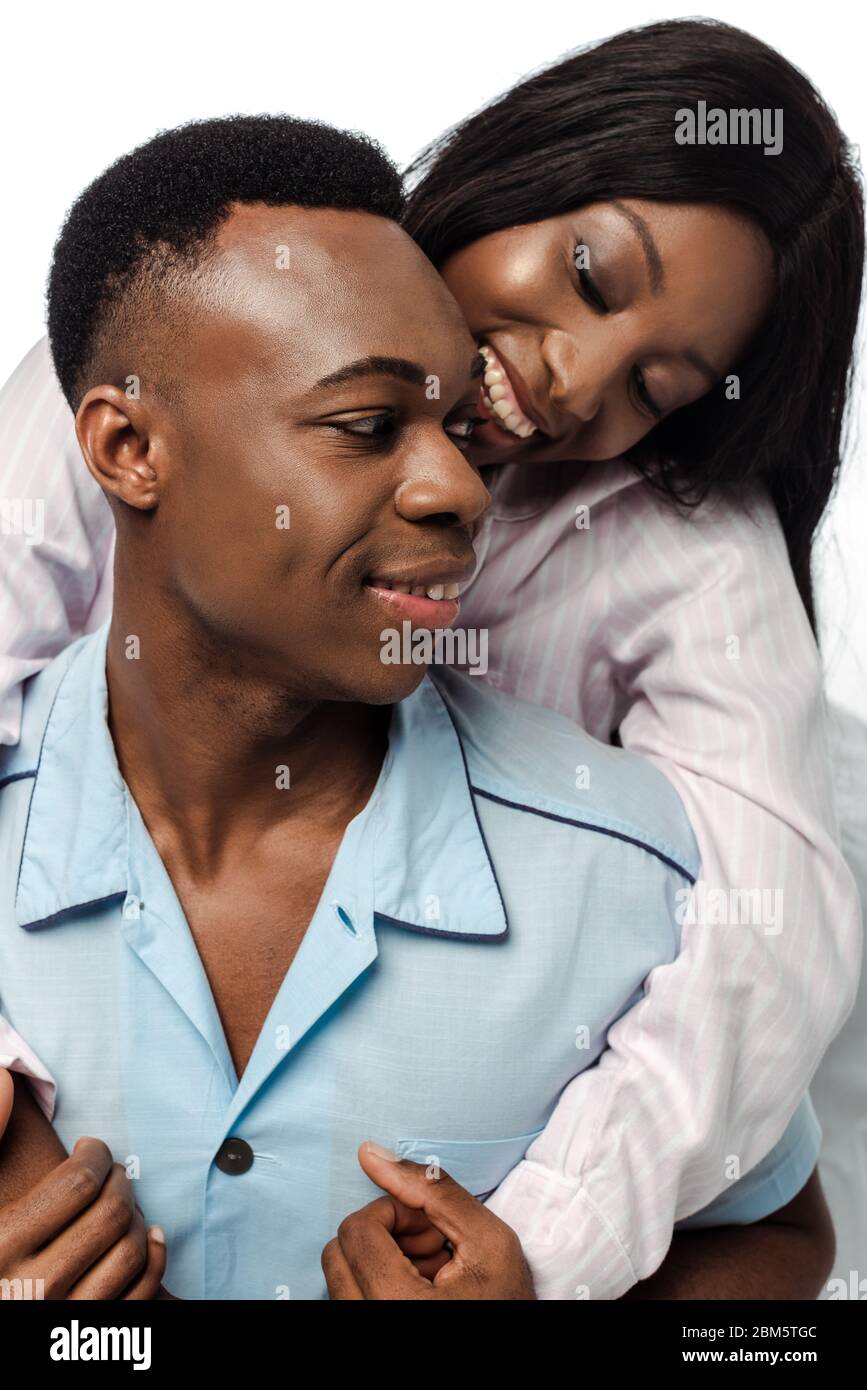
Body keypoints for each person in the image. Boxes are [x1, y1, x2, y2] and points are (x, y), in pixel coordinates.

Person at [0, 21, 862, 1299]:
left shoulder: (664, 666)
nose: (570, 380)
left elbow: (769, 936)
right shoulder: (191, 320)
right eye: (591, 273)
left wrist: (548, 1256)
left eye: (661, 387)